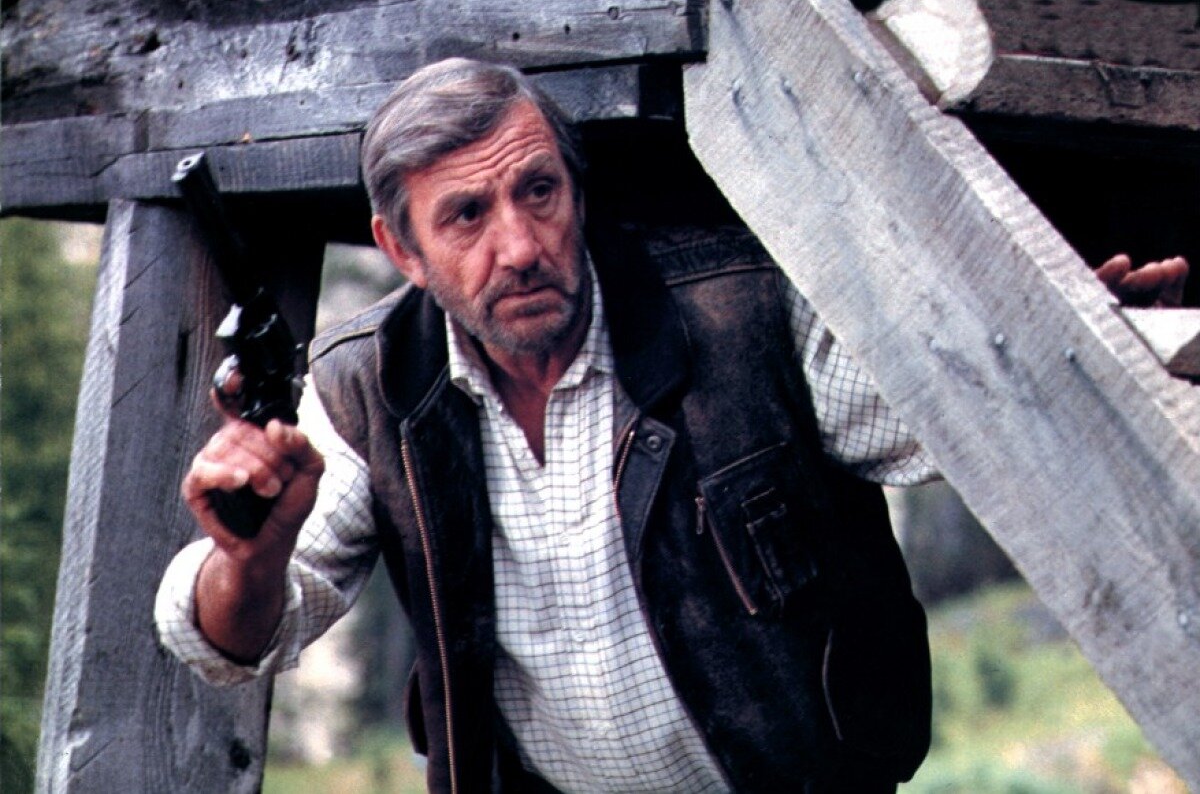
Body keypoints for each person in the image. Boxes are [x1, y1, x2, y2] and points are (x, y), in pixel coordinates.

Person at [155, 58, 1188, 793]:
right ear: (403, 250)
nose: (520, 244)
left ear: (575, 190)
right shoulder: (369, 384)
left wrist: (1071, 347)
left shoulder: (743, 309)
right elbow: (232, 638)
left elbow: (953, 405)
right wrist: (252, 555)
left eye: (538, 191)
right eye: (466, 215)